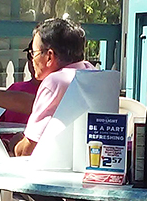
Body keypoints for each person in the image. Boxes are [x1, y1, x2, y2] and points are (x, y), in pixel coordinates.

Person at [14, 17, 95, 156]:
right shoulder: (92, 72)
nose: (32, 59)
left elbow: (28, 150)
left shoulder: (55, 82)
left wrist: (16, 146)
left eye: (33, 53)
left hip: (55, 169)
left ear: (49, 56)